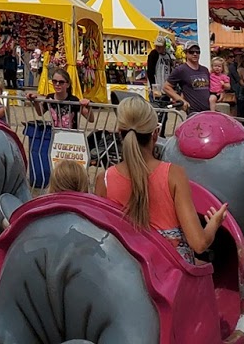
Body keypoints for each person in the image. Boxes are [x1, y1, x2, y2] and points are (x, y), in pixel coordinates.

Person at [96, 95, 228, 264]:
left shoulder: (104, 179)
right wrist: (214, 224)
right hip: (169, 279)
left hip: (124, 274)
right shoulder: (174, 174)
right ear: (155, 134)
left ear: (120, 133)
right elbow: (199, 243)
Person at [25, 68, 96, 188]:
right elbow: (40, 112)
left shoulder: (73, 100)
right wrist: (35, 101)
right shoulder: (50, 98)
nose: (57, 84)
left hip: (71, 139)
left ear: (67, 84)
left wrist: (88, 106)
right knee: (56, 165)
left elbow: (91, 119)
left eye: (61, 82)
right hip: (55, 137)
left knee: (74, 167)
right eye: (55, 81)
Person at [168, 44, 212, 114]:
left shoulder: (205, 70)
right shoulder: (181, 70)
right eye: (191, 52)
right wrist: (181, 100)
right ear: (186, 53)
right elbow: (167, 87)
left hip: (207, 111)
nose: (195, 54)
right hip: (193, 112)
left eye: (197, 52)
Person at [145, 41, 174, 110]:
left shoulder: (167, 56)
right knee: (156, 110)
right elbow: (150, 71)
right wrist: (153, 87)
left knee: (165, 111)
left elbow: (170, 70)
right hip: (156, 87)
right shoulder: (153, 54)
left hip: (165, 88)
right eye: (156, 46)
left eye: (160, 46)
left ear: (164, 46)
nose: (157, 48)